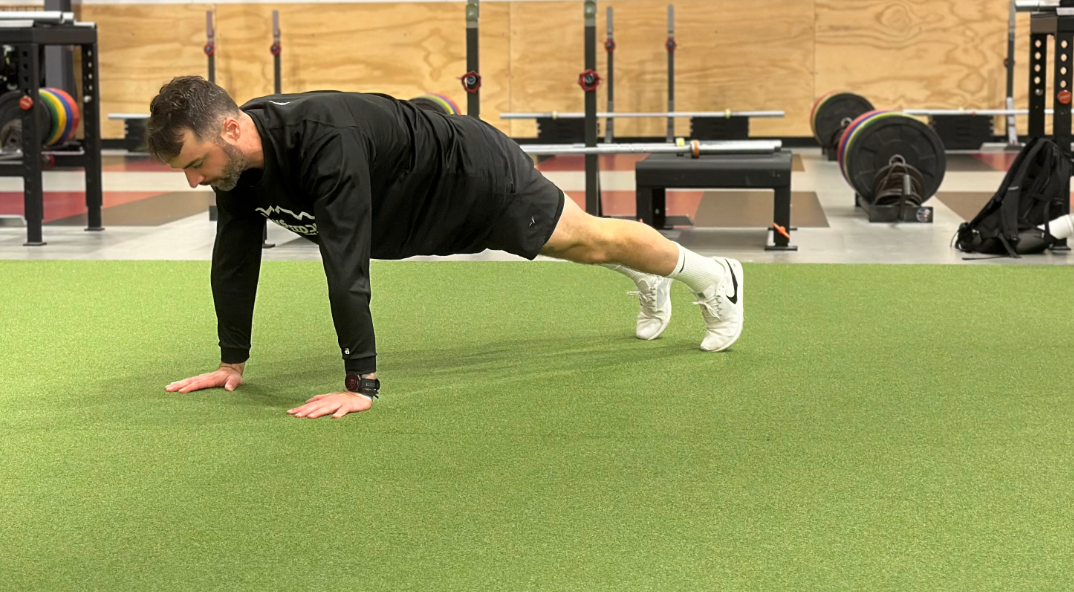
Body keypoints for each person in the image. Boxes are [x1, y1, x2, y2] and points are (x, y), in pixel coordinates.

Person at [151, 76, 744, 419]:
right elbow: (234, 258)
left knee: (586, 240)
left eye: (196, 163)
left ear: (230, 129)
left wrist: (361, 385)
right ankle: (648, 273)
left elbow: (344, 263)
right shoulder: (232, 169)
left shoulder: (323, 141)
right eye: (184, 170)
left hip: (470, 176)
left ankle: (714, 276)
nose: (194, 180)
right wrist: (233, 361)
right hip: (411, 211)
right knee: (583, 246)